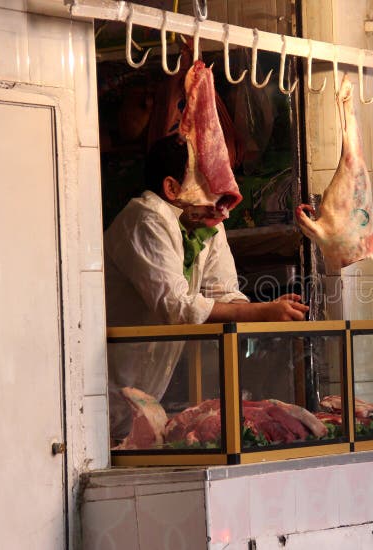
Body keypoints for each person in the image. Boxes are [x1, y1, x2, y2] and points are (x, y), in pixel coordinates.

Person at [104, 133, 308, 438]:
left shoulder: (207, 224)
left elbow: (223, 293)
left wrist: (269, 314)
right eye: (208, 183)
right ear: (172, 188)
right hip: (103, 389)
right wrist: (261, 311)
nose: (223, 200)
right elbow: (177, 306)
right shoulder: (145, 217)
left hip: (146, 394)